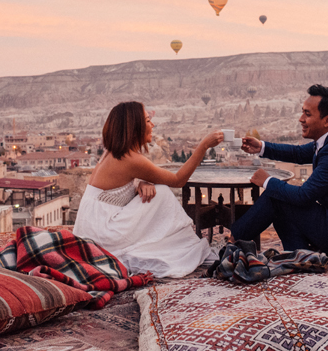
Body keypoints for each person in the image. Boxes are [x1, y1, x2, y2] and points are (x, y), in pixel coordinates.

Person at [229, 84, 328, 267]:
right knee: (281, 200)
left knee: (275, 196)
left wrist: (267, 181)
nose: (301, 119)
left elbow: (304, 196)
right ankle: (301, 258)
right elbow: (297, 153)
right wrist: (261, 147)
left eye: (307, 114)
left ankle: (231, 243)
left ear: (327, 120)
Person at [73, 101, 223, 277]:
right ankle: (188, 248)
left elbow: (118, 185)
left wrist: (140, 183)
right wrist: (204, 146)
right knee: (162, 193)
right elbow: (178, 180)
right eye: (147, 121)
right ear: (134, 126)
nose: (153, 124)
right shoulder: (131, 159)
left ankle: (183, 247)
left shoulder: (113, 153)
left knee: (156, 192)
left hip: (92, 229)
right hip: (103, 234)